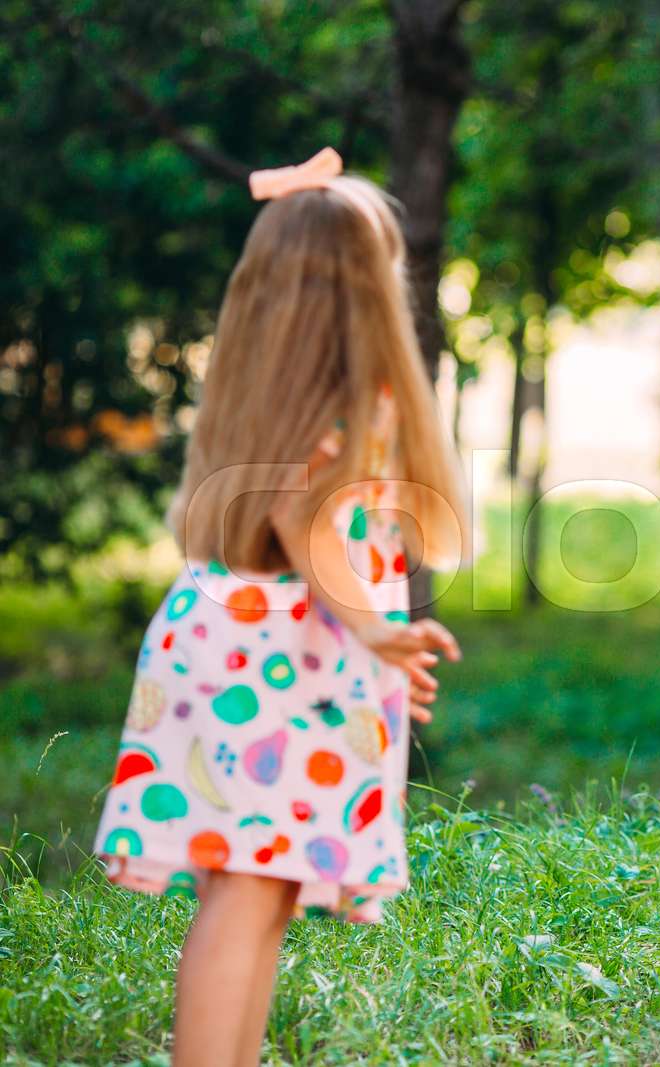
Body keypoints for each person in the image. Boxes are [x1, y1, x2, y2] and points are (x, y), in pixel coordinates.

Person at [92, 149, 467, 1066]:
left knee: (259, 891)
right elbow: (308, 521)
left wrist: (379, 653)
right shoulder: (339, 402)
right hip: (275, 658)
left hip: (250, 645)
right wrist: (378, 629)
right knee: (249, 896)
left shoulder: (283, 396)